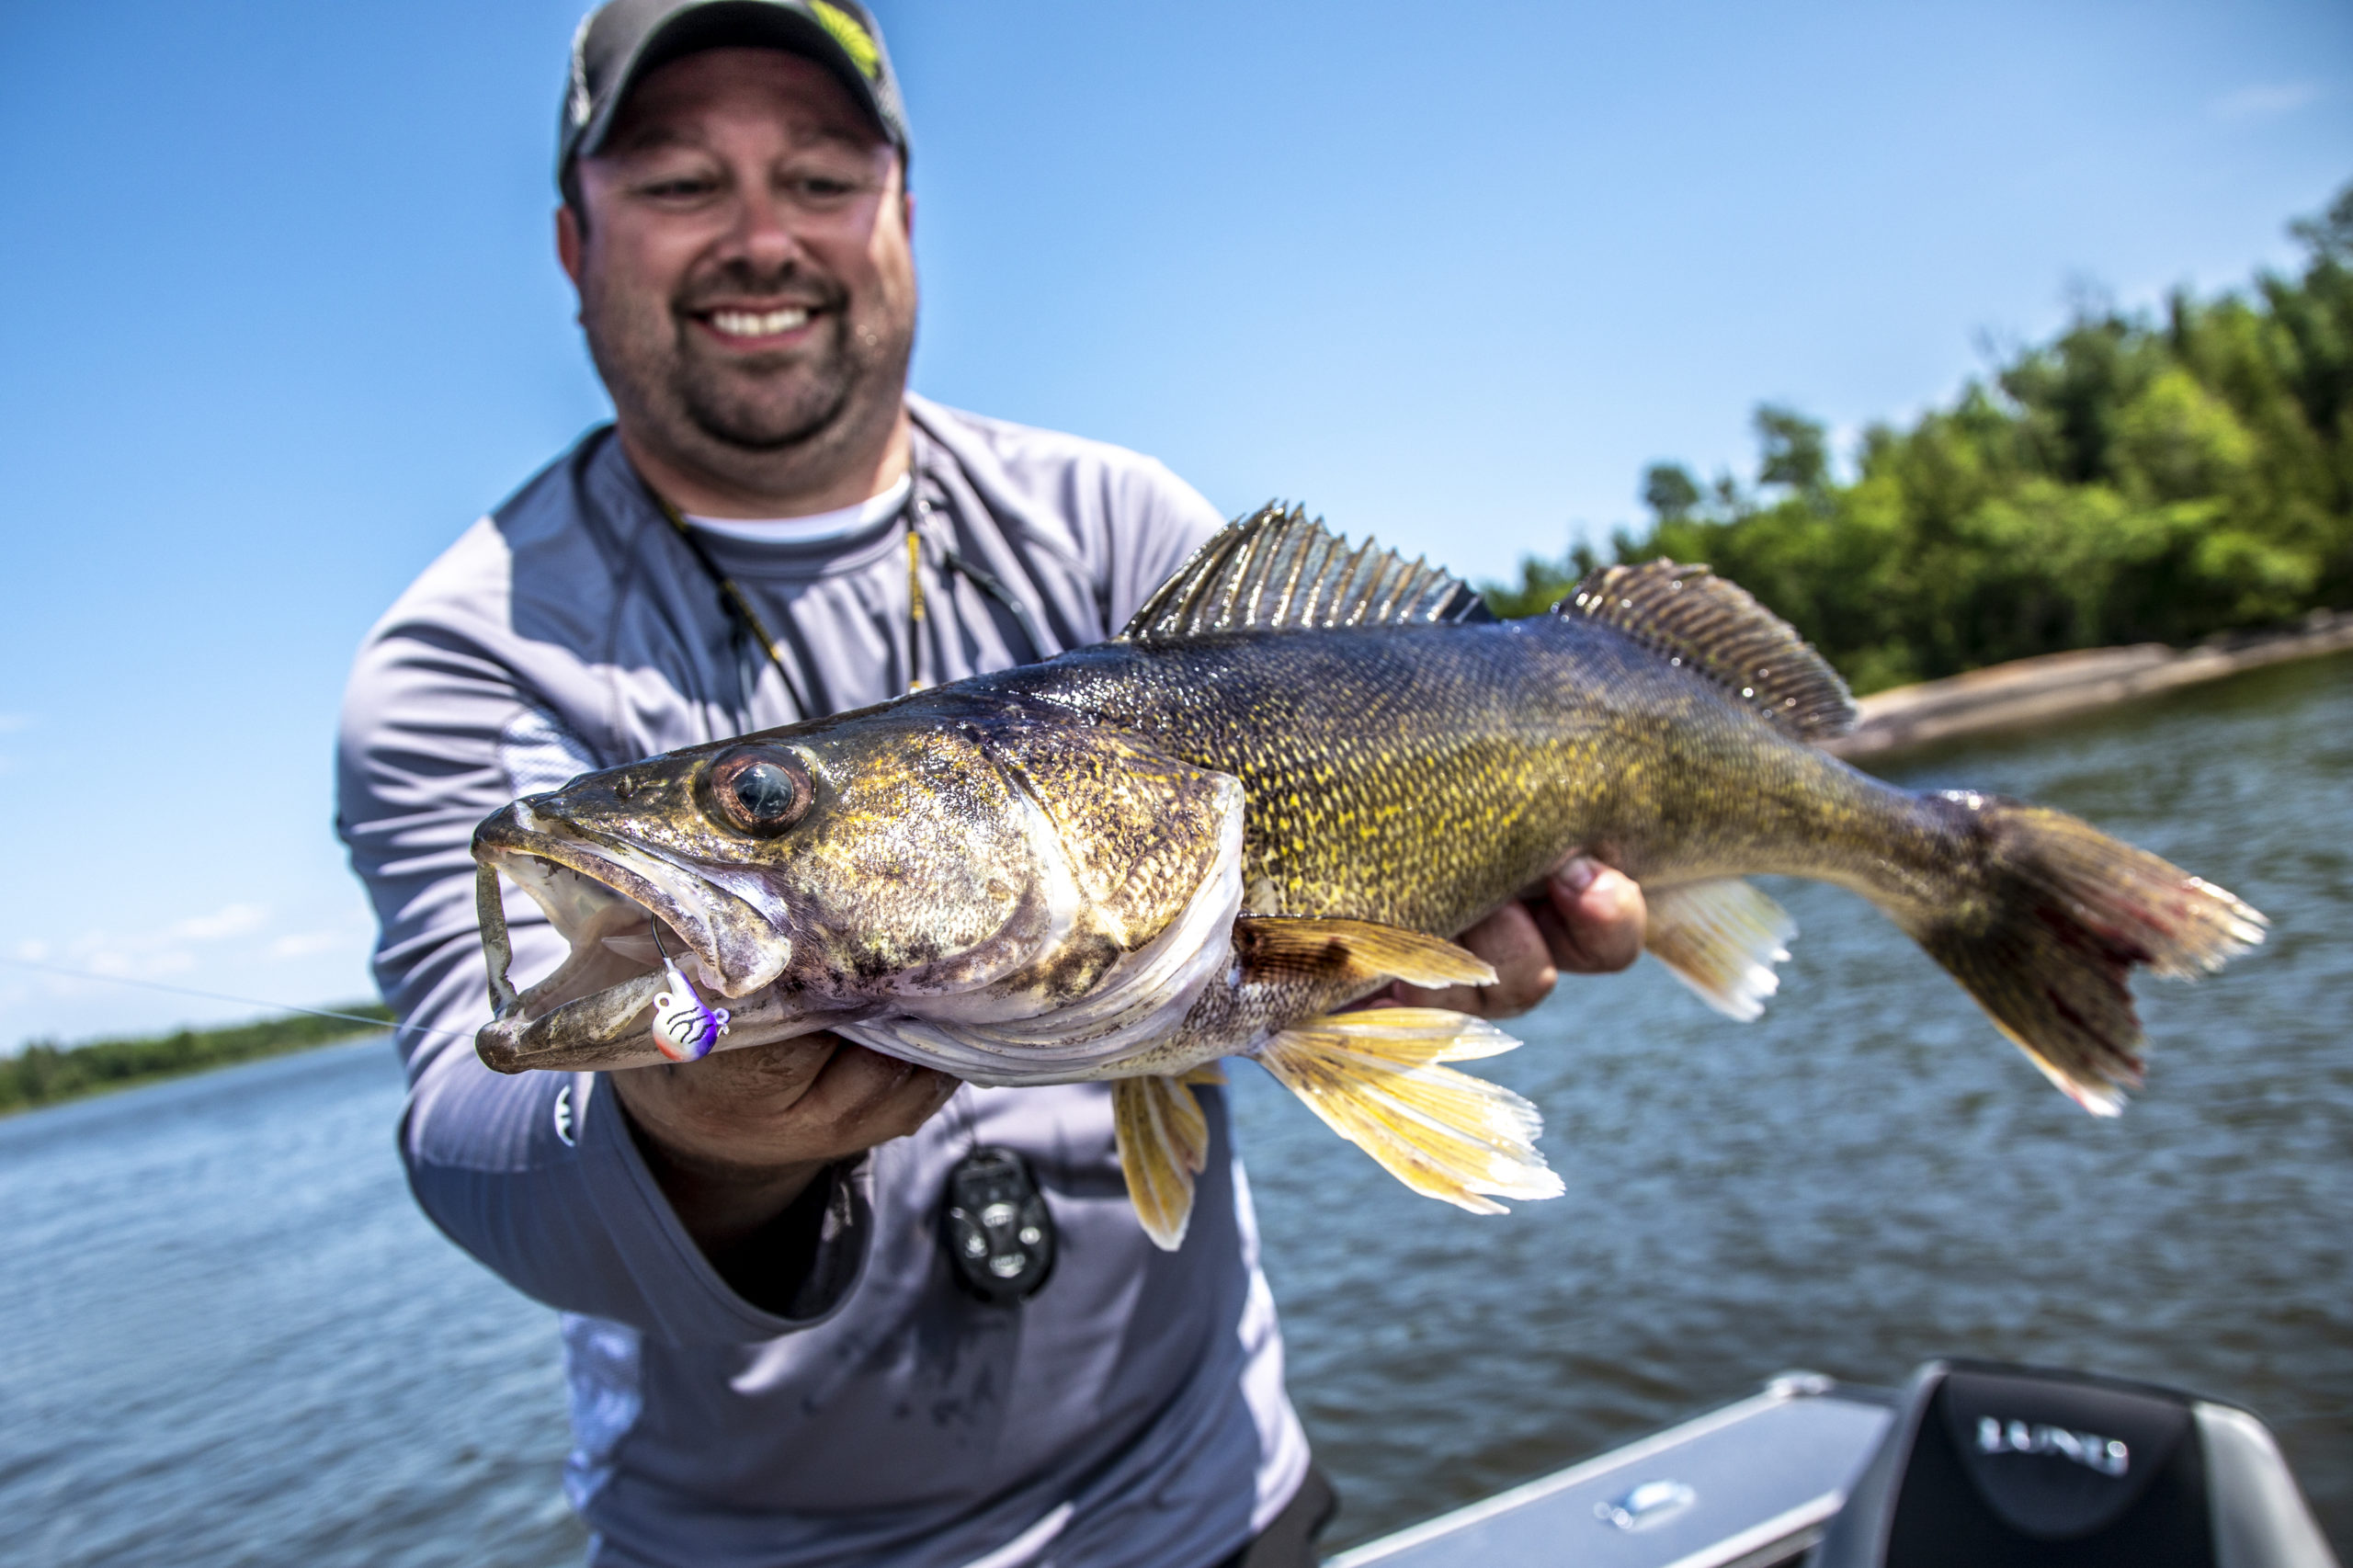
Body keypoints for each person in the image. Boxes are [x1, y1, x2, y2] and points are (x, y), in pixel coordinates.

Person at [335, 4, 1647, 1565]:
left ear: (901, 212)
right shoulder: (458, 660)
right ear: (572, 242)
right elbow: (487, 1122)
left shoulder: (1112, 520)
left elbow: (1314, 897)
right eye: (683, 183)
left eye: (819, 177)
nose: (761, 237)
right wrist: (691, 1072)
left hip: (1206, 1493)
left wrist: (1402, 959)